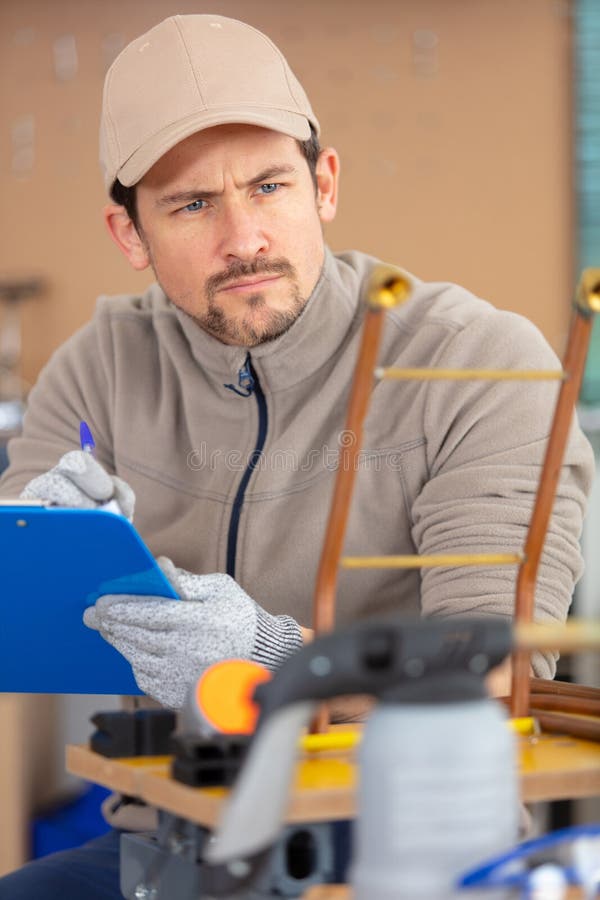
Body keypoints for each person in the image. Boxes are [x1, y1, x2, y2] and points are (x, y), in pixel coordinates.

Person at [0, 13, 593, 899]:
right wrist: (56, 560)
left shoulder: (481, 361)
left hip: (403, 852)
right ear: (130, 235)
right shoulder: (100, 367)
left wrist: (272, 657)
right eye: (191, 204)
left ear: (324, 184)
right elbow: (25, 628)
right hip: (170, 847)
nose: (243, 239)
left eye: (270, 185)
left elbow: (492, 679)